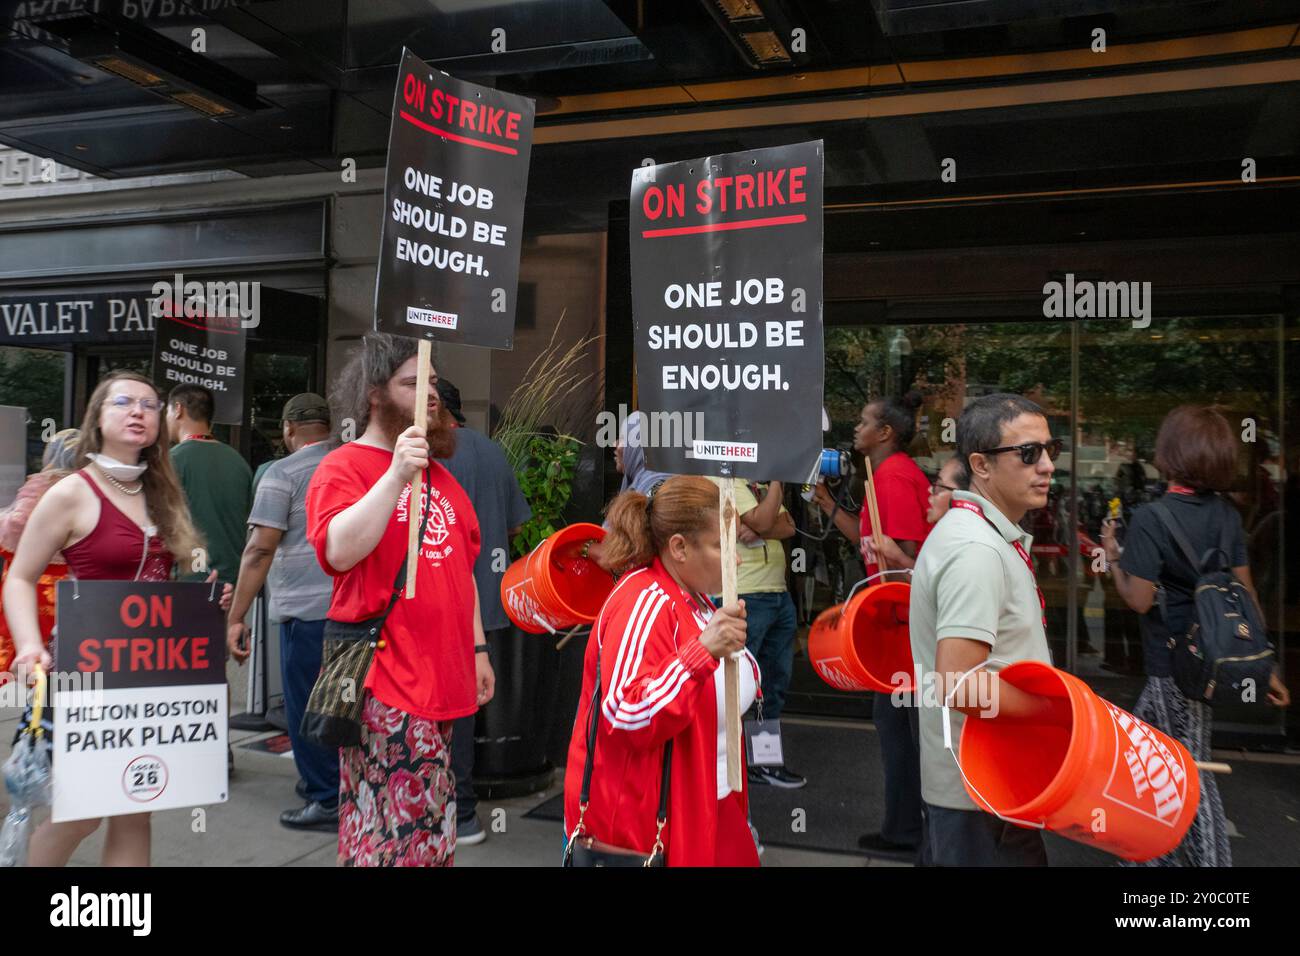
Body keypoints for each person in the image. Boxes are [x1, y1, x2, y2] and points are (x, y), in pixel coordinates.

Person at [4, 372, 229, 866]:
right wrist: (27, 645)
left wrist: (209, 601)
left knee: (136, 807)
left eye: (150, 404)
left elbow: (165, 582)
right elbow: (19, 577)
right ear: (98, 418)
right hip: (83, 677)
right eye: (123, 402)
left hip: (150, 676)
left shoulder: (164, 492)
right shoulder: (70, 493)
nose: (138, 411)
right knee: (79, 813)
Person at [306, 333, 494, 867]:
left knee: (425, 832)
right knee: (398, 836)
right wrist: (394, 475)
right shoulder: (343, 467)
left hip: (442, 680)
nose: (429, 393)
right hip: (383, 679)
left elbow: (463, 571)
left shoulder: (443, 477)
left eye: (433, 382)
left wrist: (478, 651)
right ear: (373, 394)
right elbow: (339, 551)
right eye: (413, 383)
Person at [1102, 405, 1290, 867]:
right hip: (1210, 660)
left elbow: (1139, 599)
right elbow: (1245, 595)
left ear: (1169, 453)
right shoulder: (1226, 515)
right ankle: (1145, 856)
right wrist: (1267, 667)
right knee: (1140, 762)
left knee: (1189, 773)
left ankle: (1210, 865)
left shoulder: (1151, 517)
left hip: (1172, 663)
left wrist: (1111, 559)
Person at [563, 475, 761, 867]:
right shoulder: (644, 600)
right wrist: (702, 652)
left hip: (709, 802)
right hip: (648, 823)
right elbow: (626, 714)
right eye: (722, 545)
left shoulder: (697, 598)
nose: (736, 559)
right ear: (679, 547)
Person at [910, 392, 1069, 867]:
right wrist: (1055, 711)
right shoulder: (975, 549)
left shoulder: (982, 533)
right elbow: (959, 683)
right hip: (981, 792)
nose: (1046, 466)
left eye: (1049, 450)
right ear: (980, 464)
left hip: (984, 784)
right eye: (1027, 453)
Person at [814, 392, 931, 858]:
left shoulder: (895, 476)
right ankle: (907, 826)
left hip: (901, 626)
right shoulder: (883, 474)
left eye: (864, 422)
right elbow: (868, 539)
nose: (856, 428)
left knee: (899, 728)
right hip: (896, 623)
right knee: (896, 725)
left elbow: (903, 561)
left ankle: (907, 831)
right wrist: (825, 503)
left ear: (885, 433)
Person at [226, 393, 338, 831]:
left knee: (307, 707)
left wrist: (236, 616)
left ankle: (325, 798)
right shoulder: (355, 464)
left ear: (289, 430)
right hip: (358, 615)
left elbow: (259, 550)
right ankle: (343, 788)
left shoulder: (282, 473)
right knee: (345, 706)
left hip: (307, 615)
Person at [435, 377, 531, 848]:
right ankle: (464, 810)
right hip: (492, 601)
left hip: (445, 604)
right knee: (470, 706)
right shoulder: (494, 453)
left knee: (449, 712)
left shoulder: (431, 455)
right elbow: (514, 527)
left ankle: (459, 812)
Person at [707, 476, 803, 789]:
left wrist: (762, 524)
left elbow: (788, 525)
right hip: (745, 594)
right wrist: (777, 482)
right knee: (736, 688)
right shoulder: (723, 476)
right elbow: (765, 520)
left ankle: (763, 763)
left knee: (771, 687)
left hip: (775, 592)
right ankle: (727, 766)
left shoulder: (754, 484)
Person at [0, 429, 78, 680]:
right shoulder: (86, 487)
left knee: (23, 637)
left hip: (35, 579)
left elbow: (16, 525)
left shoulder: (44, 483)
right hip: (69, 582)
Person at [166, 384, 252, 586]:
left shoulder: (171, 461)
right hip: (234, 584)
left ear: (178, 409)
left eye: (166, 411)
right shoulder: (239, 463)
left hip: (188, 583)